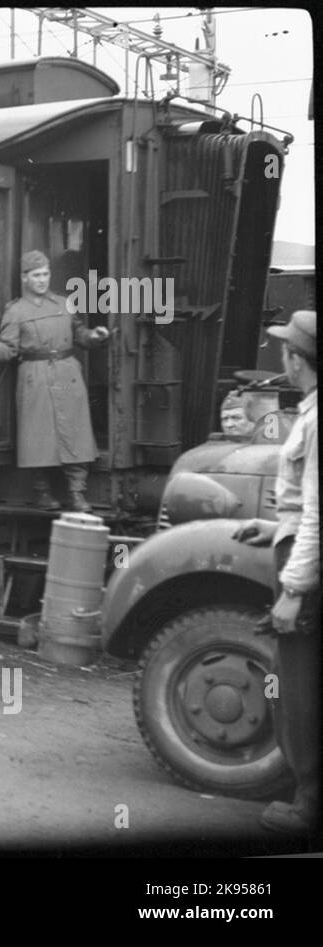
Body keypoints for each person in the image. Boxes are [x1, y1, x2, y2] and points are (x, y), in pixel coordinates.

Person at [232, 310, 318, 836]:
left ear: (296, 359)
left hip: (305, 568)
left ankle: (308, 803)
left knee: (302, 686)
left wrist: (293, 591)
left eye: (286, 348)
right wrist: (273, 527)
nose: (281, 356)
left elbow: (316, 515)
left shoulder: (313, 420)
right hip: (295, 546)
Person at [0, 250, 110, 513]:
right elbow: (9, 348)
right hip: (35, 376)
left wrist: (95, 336)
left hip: (67, 374)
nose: (42, 280)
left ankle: (77, 494)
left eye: (45, 274)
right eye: (36, 275)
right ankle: (42, 493)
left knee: (77, 435)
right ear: (24, 278)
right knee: (38, 438)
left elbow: (79, 335)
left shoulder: (64, 304)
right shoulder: (16, 312)